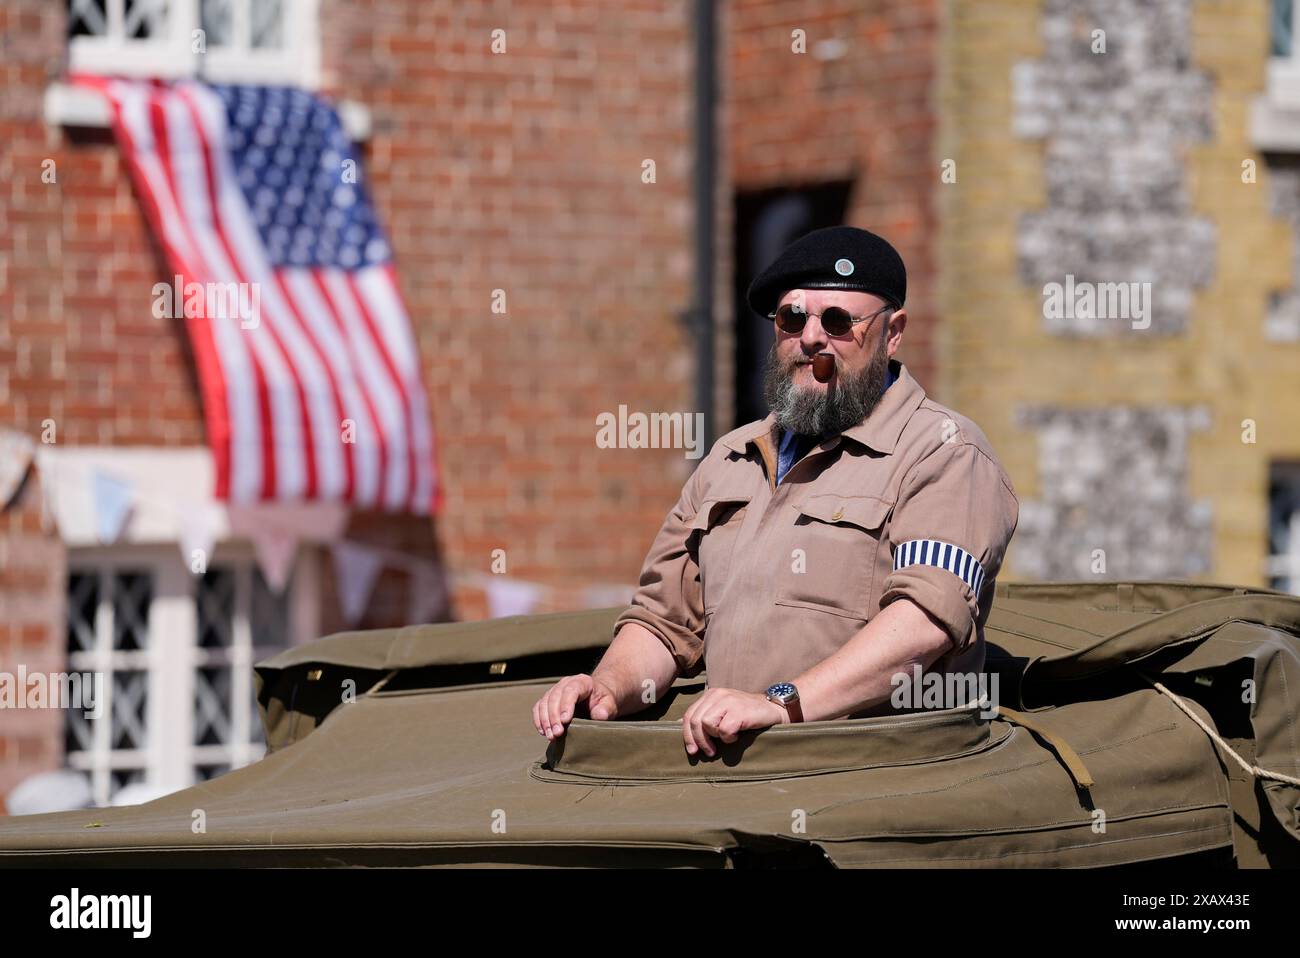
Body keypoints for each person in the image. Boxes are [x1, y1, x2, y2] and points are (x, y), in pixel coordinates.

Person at [532, 226, 1019, 757]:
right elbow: (664, 620)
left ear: (892, 332)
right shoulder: (730, 459)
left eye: (838, 321)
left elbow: (925, 622)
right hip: (730, 778)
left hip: (874, 781)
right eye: (792, 318)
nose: (811, 338)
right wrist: (607, 687)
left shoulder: (942, 451)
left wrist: (781, 704)